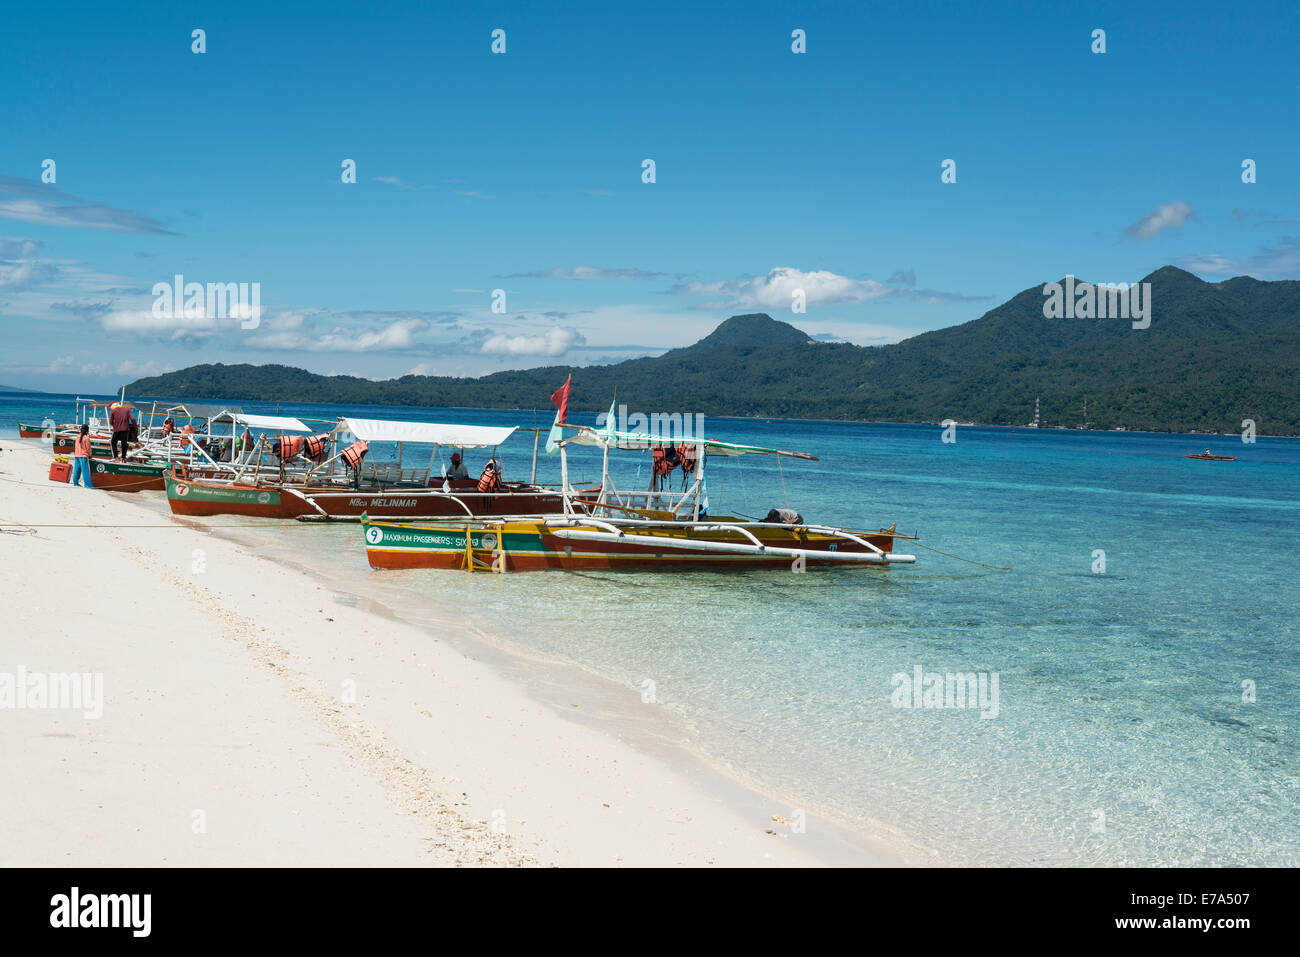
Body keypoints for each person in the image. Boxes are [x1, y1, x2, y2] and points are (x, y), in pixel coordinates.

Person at [71, 424, 95, 489]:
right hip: (83, 456)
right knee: (85, 471)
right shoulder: (86, 438)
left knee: (76, 470)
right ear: (87, 430)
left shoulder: (77, 437)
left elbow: (75, 446)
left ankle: (75, 483)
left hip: (77, 455)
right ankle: (88, 485)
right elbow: (88, 448)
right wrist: (90, 455)